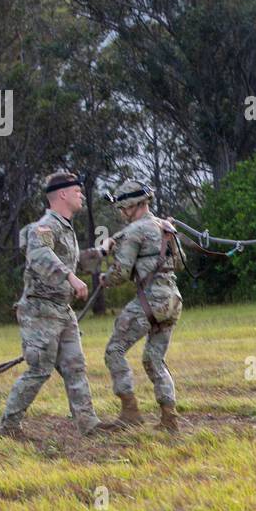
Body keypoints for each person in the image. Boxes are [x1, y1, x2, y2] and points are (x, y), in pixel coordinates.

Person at [0, 172, 117, 438]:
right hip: (40, 310)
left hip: (62, 311)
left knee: (75, 368)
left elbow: (73, 261)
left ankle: (89, 424)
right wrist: (71, 278)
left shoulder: (64, 227)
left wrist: (103, 252)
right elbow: (40, 255)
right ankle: (9, 427)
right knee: (39, 370)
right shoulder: (45, 226)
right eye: (77, 191)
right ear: (62, 194)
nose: (82, 196)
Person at [99, 180, 186, 431]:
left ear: (131, 205)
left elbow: (121, 272)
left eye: (122, 207)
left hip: (150, 301)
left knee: (114, 351)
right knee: (154, 359)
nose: (121, 212)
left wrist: (105, 278)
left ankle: (130, 412)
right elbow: (180, 263)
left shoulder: (135, 232)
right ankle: (169, 418)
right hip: (173, 300)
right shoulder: (165, 226)